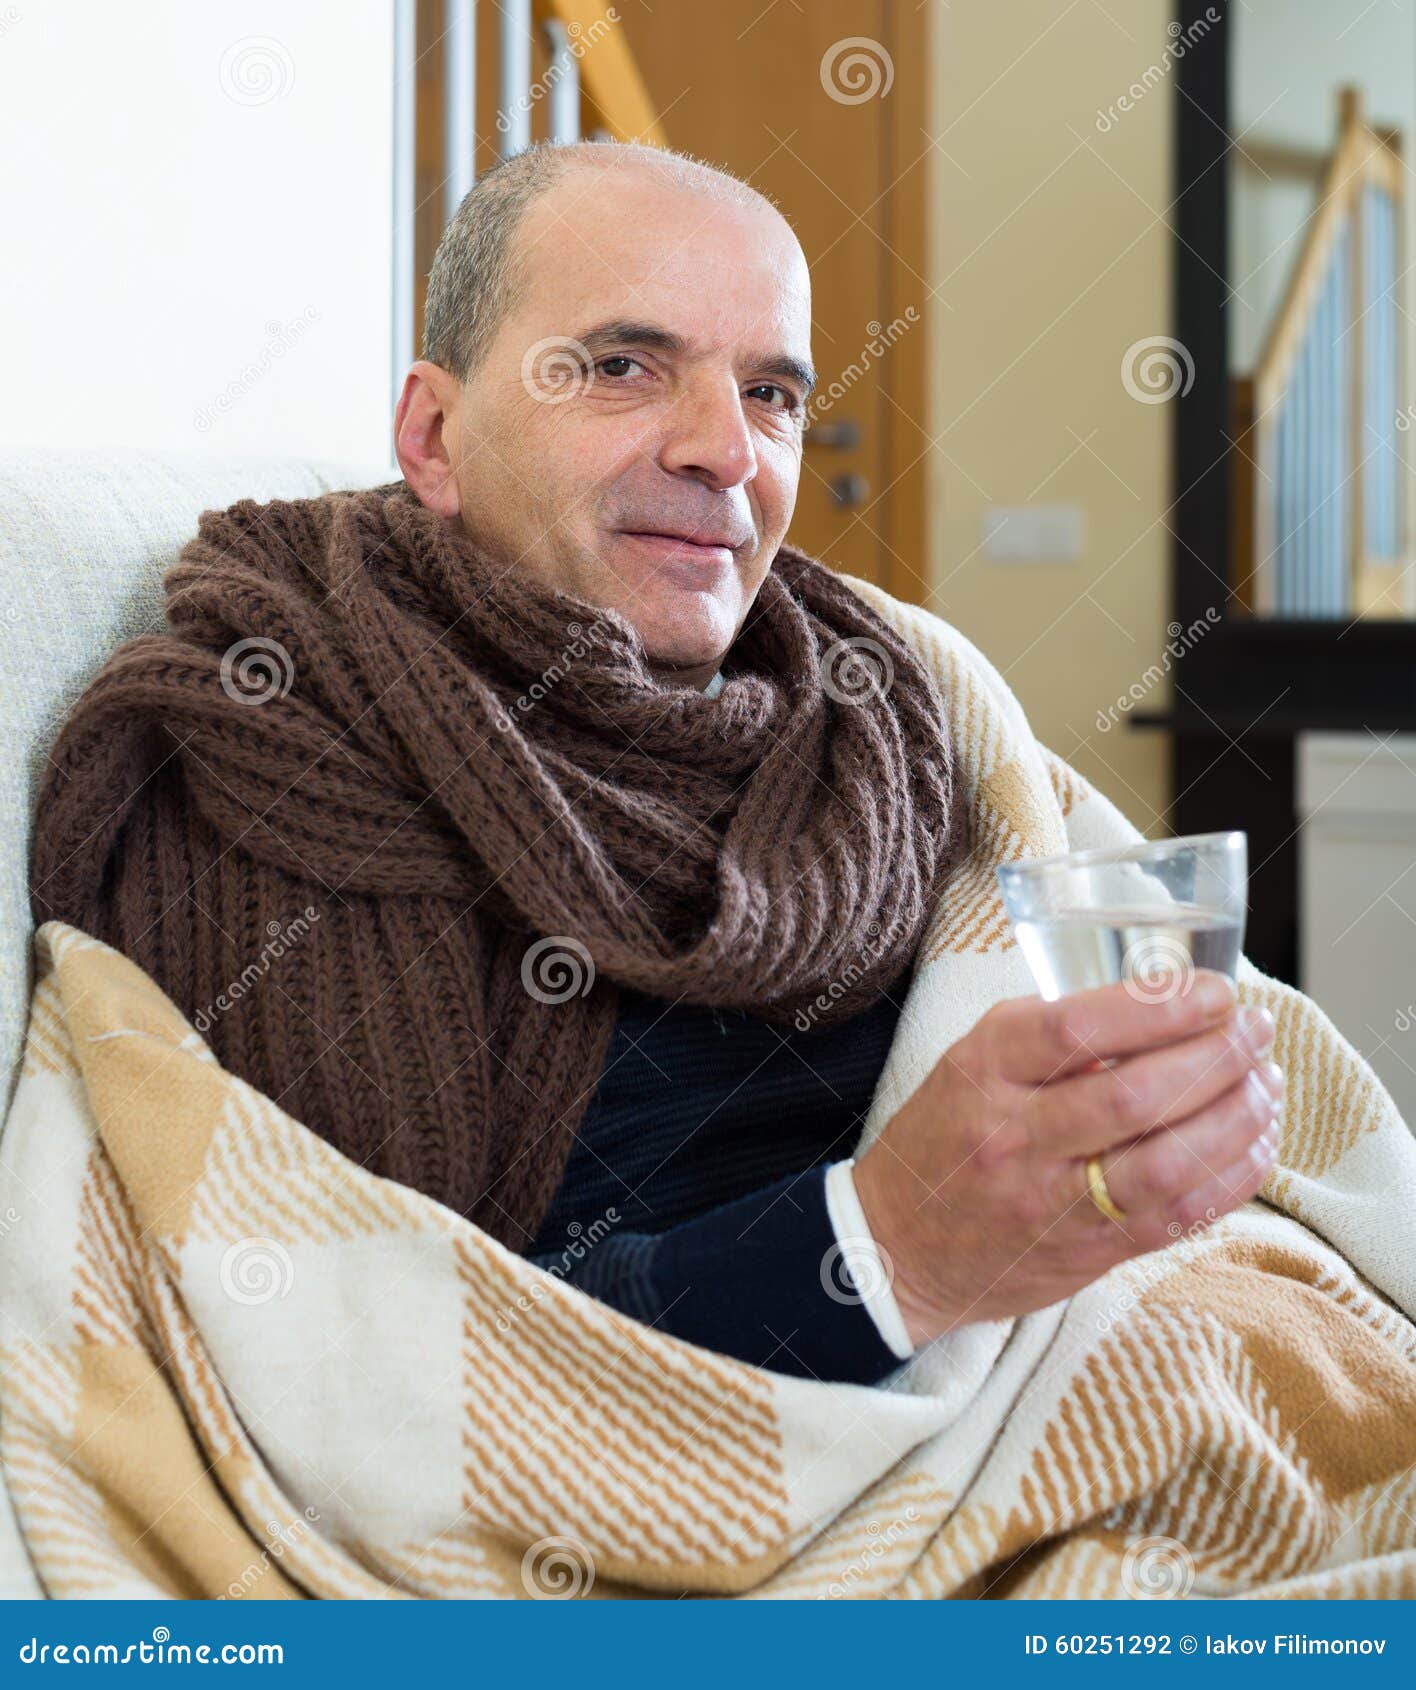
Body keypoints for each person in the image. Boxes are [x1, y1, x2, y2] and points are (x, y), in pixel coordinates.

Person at [29, 142, 1281, 1388]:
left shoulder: (886, 700)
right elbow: (386, 1379)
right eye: (625, 367)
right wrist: (889, 1249)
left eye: (772, 395)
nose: (725, 451)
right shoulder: (277, 749)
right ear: (433, 436)